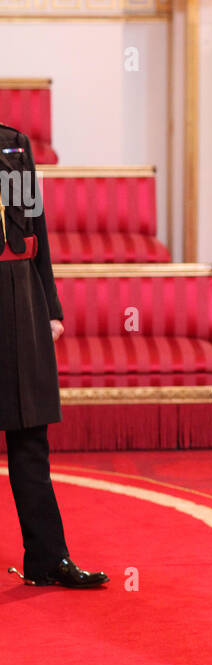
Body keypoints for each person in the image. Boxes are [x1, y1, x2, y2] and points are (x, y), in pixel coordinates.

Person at [0, 128, 108, 589]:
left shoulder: (12, 145)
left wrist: (51, 306)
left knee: (30, 439)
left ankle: (47, 559)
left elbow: (34, 227)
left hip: (20, 299)